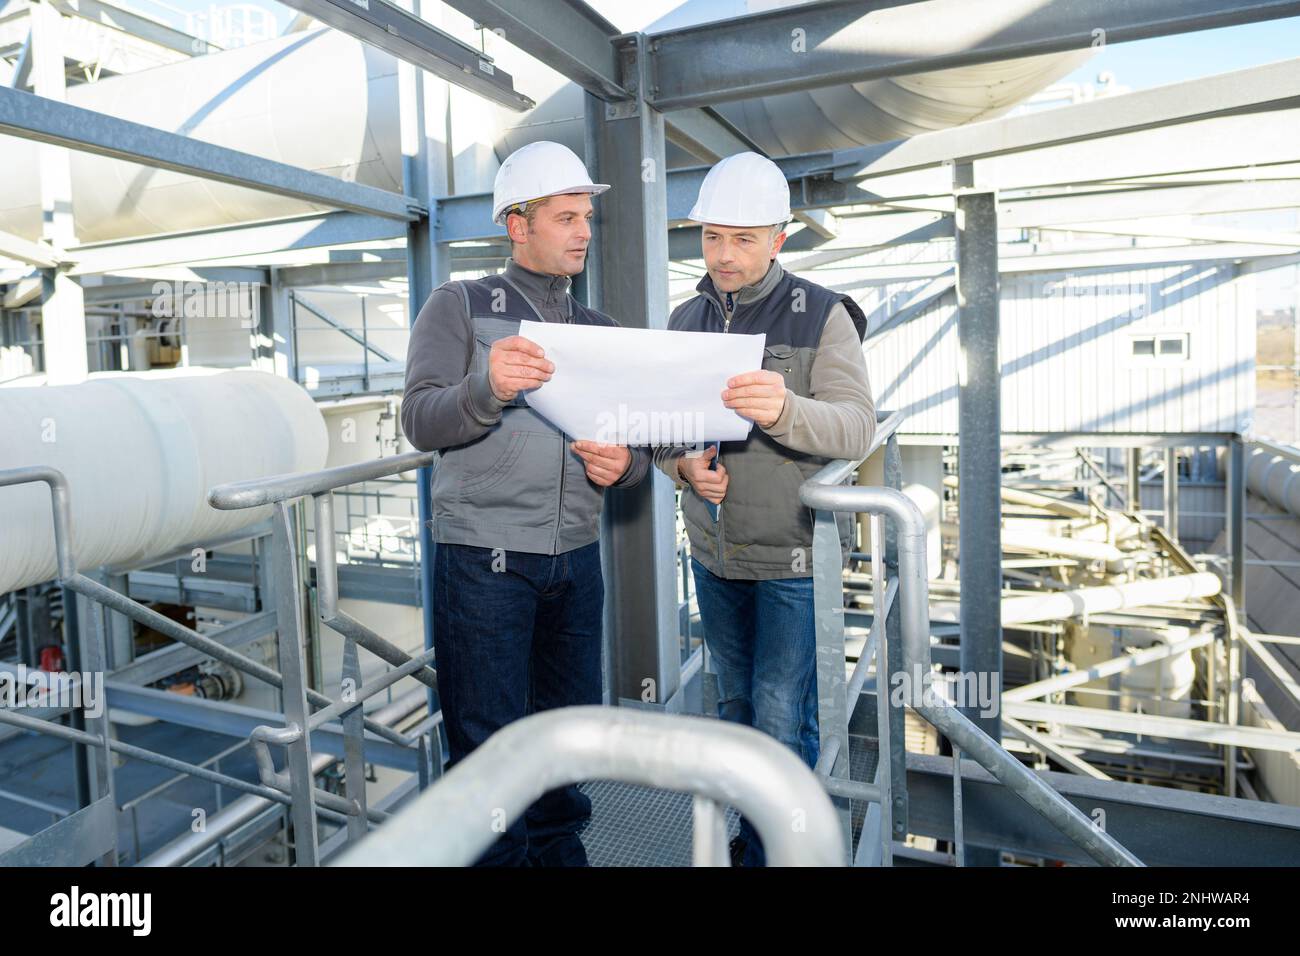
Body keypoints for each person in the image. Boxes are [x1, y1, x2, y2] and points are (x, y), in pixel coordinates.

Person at [401, 141, 649, 866]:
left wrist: (626, 465)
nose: (582, 232)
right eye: (566, 217)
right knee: (490, 748)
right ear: (517, 224)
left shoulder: (598, 328)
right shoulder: (458, 305)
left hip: (575, 561)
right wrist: (487, 387)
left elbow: (631, 450)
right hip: (484, 560)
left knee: (566, 738)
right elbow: (420, 419)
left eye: (587, 219)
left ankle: (560, 859)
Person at [652, 151, 876, 867]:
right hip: (713, 553)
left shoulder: (824, 316)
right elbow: (653, 426)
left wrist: (784, 408)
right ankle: (750, 839)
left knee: (783, 718)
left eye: (743, 238)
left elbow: (854, 427)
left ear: (779, 239)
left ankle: (786, 850)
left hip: (791, 556)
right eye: (713, 236)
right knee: (734, 708)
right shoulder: (683, 320)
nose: (724, 254)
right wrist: (680, 466)